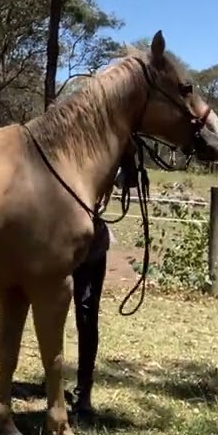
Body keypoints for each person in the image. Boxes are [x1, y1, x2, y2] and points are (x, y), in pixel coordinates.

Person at [70, 160, 138, 419]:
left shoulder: (109, 154)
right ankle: (53, 383)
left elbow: (129, 180)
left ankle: (84, 391)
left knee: (87, 314)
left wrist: (128, 159)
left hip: (91, 245)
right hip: (56, 239)